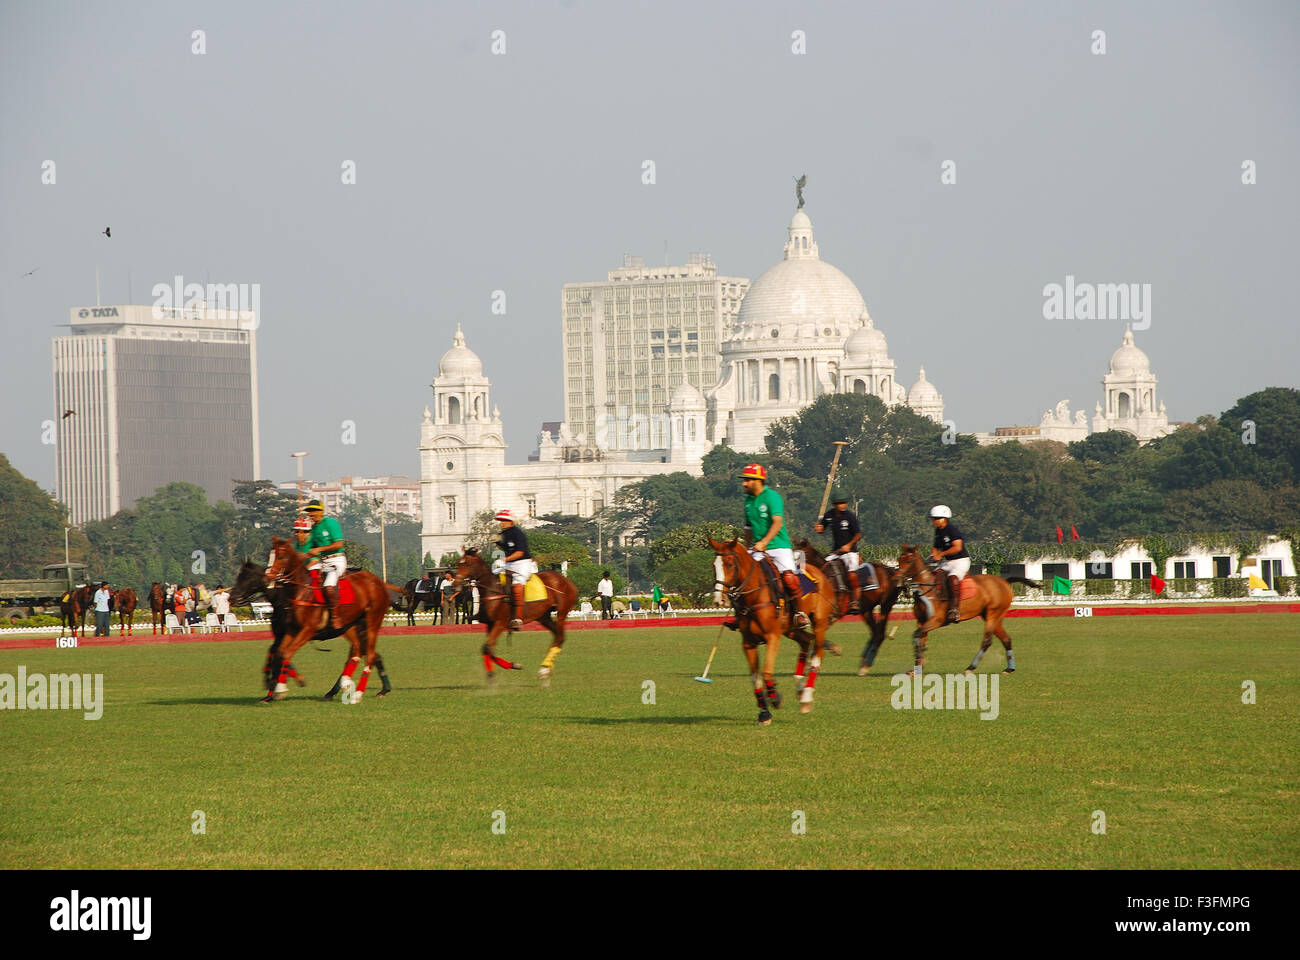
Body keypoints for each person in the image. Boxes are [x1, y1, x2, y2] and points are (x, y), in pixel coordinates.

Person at [728, 463, 810, 631]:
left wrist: (764, 542)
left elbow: (777, 522)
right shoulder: (748, 501)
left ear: (759, 480)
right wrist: (747, 547)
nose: (744, 483)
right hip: (757, 548)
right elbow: (748, 527)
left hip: (778, 546)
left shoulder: (772, 497)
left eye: (748, 480)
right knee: (741, 576)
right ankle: (740, 616)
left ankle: (799, 613)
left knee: (789, 579)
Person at [301, 499, 347, 628]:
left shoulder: (331, 523)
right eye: (309, 511)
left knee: (328, 586)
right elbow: (310, 551)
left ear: (321, 511)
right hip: (324, 563)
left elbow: (339, 544)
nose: (311, 513)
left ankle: (335, 616)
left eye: (314, 510)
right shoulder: (314, 529)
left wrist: (319, 549)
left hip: (337, 560)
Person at [815, 495, 863, 613]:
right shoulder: (829, 515)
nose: (842, 505)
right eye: (839, 503)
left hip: (850, 552)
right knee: (822, 569)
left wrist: (849, 545)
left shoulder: (850, 516)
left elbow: (858, 534)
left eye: (843, 503)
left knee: (852, 575)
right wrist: (819, 528)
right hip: (836, 552)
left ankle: (855, 601)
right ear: (834, 505)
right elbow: (822, 529)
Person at [495, 509, 536, 630]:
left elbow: (519, 552)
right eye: (501, 520)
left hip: (522, 563)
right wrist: (497, 542)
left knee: (517, 588)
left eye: (504, 520)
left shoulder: (518, 533)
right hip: (509, 563)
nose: (502, 523)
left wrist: (504, 560)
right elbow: (505, 546)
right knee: (493, 579)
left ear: (510, 522)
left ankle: (518, 619)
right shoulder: (505, 533)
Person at [930, 504, 969, 624]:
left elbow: (957, 547)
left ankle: (954, 609)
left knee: (952, 579)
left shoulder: (952, 529)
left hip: (960, 561)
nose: (934, 521)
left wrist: (940, 555)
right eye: (933, 519)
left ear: (944, 518)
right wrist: (934, 555)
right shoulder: (938, 531)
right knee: (932, 577)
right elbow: (935, 548)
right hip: (948, 562)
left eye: (937, 518)